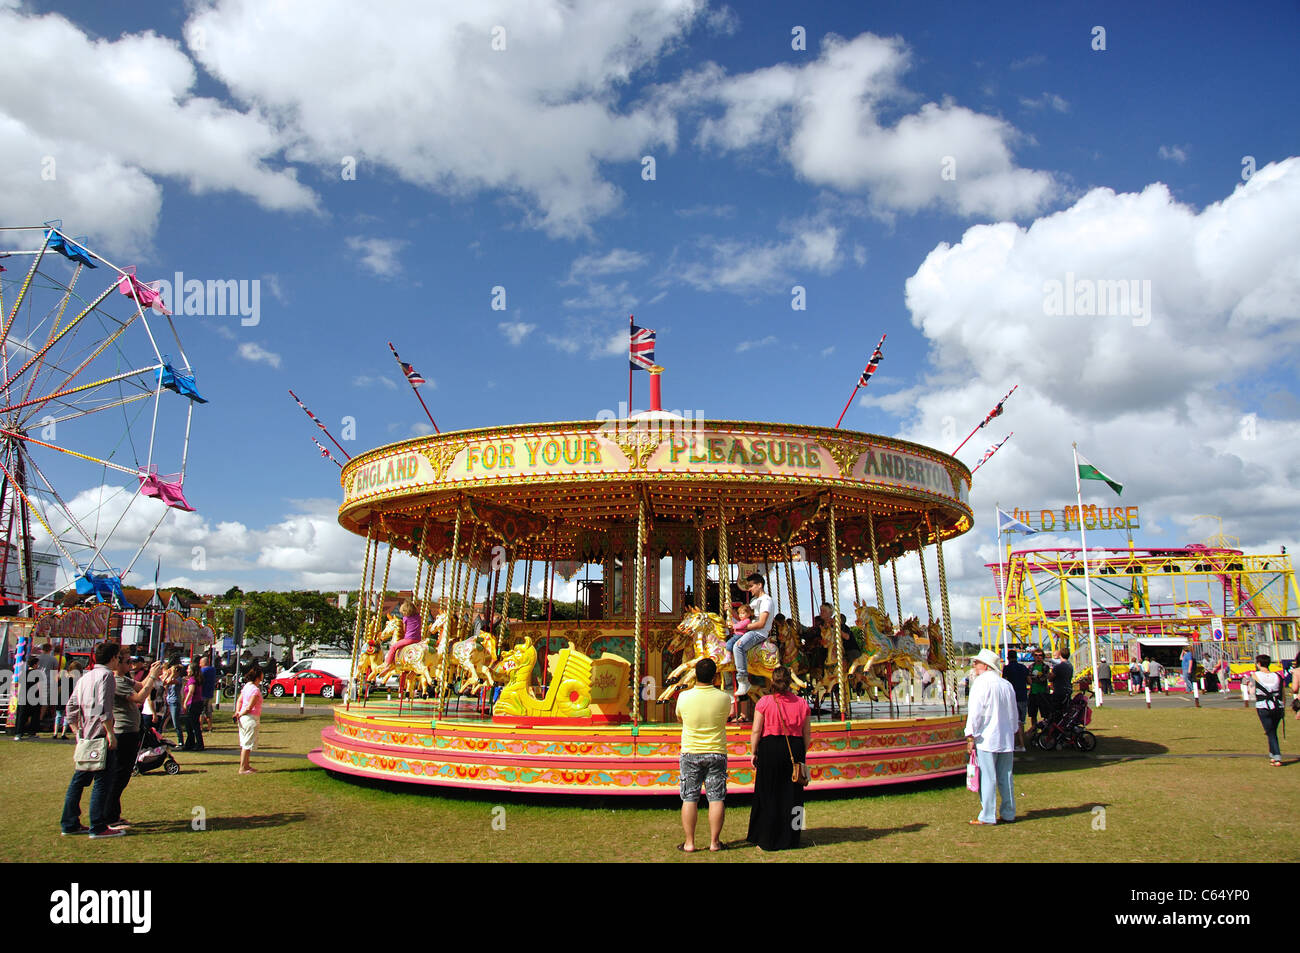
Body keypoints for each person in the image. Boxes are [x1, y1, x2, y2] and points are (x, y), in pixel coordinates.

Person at [746, 666, 811, 851]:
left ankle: (766, 838)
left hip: (771, 747)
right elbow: (807, 733)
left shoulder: (765, 702)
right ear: (790, 682)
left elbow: (756, 730)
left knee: (769, 793)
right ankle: (793, 837)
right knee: (794, 794)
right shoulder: (801, 703)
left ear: (772, 681)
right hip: (795, 747)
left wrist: (753, 752)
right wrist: (802, 753)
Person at [60, 641, 121, 838]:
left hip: (85, 736)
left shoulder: (86, 677)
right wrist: (110, 733)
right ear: (112, 658)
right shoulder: (106, 676)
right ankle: (98, 825)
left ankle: (69, 823)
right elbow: (105, 707)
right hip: (100, 735)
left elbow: (71, 707)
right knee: (102, 782)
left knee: (78, 781)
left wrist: (77, 730)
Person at [675, 657, 732, 852]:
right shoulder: (724, 698)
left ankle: (689, 842)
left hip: (691, 751)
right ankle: (714, 842)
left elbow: (679, 716)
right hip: (716, 751)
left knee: (689, 798)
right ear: (715, 676)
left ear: (695, 675)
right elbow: (726, 717)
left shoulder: (683, 697)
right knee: (716, 797)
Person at [107, 649, 164, 831]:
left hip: (131, 731)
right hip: (122, 732)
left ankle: (114, 814)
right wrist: (153, 677)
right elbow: (140, 697)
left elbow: (141, 685)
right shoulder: (116, 681)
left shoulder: (125, 680)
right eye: (126, 662)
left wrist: (152, 674)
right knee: (119, 775)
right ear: (118, 663)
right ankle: (109, 816)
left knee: (123, 775)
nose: (130, 665)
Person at [963, 648, 1019, 826]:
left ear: (986, 666)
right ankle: (1008, 812)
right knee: (1006, 776)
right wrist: (1013, 730)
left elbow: (976, 712)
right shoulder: (1006, 685)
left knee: (987, 776)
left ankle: (987, 814)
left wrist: (970, 735)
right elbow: (1013, 713)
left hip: (987, 737)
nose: (974, 665)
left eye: (977, 663)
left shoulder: (981, 684)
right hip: (1005, 737)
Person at [732, 573, 774, 698]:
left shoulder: (766, 601)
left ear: (759, 585)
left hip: (759, 633)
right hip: (751, 631)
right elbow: (742, 616)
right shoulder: (755, 601)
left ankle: (743, 679)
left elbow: (761, 623)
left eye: (751, 586)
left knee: (738, 646)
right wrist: (731, 611)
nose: (749, 589)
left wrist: (743, 627)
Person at [1251, 654, 1285, 766]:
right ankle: (1272, 754)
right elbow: (1282, 692)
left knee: (1270, 732)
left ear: (1259, 664)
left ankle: (1277, 756)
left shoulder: (1255, 675)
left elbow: (1252, 691)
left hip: (1263, 706)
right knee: (1272, 730)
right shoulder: (1277, 676)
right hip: (1278, 706)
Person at [235, 664, 264, 775]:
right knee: (247, 744)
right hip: (250, 718)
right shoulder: (255, 690)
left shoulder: (247, 686)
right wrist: (241, 713)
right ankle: (242, 767)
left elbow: (240, 701)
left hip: (244, 718)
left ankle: (246, 765)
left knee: (245, 742)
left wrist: (238, 712)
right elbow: (249, 707)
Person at [1001, 649, 1029, 751]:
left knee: (1013, 721)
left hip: (1012, 697)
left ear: (1008, 657)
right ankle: (1022, 743)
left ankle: (1018, 743)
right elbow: (1029, 680)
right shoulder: (1023, 667)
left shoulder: (1007, 668)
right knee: (1021, 721)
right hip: (1023, 695)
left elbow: (1004, 681)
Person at [723, 603, 754, 672]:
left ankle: (728, 657)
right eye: (739, 613)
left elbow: (739, 626)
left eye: (743, 613)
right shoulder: (742, 620)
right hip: (736, 635)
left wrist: (733, 625)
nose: (740, 615)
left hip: (739, 636)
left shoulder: (747, 620)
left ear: (748, 614)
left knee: (728, 643)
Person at [181, 662, 205, 751]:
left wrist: (185, 702)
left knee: (194, 725)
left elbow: (191, 691)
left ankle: (199, 744)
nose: (187, 670)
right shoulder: (196, 679)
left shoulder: (192, 679)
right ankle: (190, 743)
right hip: (197, 703)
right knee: (189, 724)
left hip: (193, 703)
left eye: (188, 669)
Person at [1026, 648, 1051, 729]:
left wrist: (1035, 678)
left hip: (1043, 693)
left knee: (1045, 714)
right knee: (1033, 714)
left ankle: (1045, 731)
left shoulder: (1045, 667)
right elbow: (1029, 679)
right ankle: (1034, 731)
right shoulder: (1031, 666)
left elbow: (1044, 678)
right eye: (1036, 655)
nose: (1038, 657)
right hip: (1033, 693)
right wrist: (1036, 678)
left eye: (1040, 655)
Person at [163, 661, 184, 745]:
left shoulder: (179, 679)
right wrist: (168, 674)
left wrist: (171, 674)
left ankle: (180, 741)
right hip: (168, 701)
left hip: (175, 702)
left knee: (176, 723)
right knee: (162, 721)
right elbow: (164, 683)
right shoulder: (171, 678)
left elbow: (168, 682)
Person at [200, 654, 217, 731]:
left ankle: (200, 726)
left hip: (202, 693)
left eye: (200, 663)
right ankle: (210, 726)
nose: (200, 665)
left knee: (201, 711)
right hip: (210, 693)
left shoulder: (203, 670)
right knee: (209, 711)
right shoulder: (213, 670)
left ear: (204, 663)